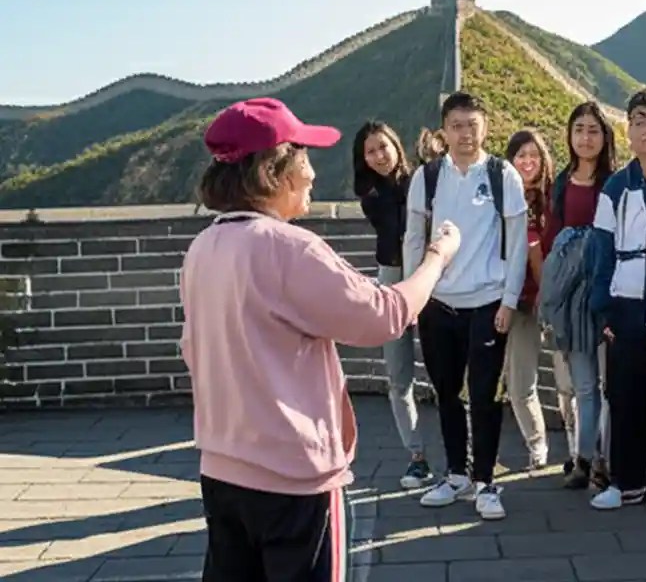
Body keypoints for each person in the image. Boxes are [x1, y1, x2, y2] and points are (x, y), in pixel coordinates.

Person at [181, 97, 460, 581]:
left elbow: (192, 350)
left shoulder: (202, 247)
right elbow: (384, 316)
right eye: (304, 158)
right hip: (293, 480)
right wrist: (437, 256)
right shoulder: (290, 248)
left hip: (222, 470)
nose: (312, 173)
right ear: (272, 171)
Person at [405, 91, 529, 521]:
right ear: (444, 131)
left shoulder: (502, 174)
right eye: (456, 125)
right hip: (438, 303)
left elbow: (517, 245)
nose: (464, 134)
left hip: (487, 302)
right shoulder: (428, 177)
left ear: (485, 127)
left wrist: (509, 301)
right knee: (445, 392)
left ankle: (485, 482)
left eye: (472, 125)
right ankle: (455, 474)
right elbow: (413, 240)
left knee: (483, 395)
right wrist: (413, 296)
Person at [587, 86, 646, 514]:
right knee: (624, 398)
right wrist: (604, 307)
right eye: (638, 120)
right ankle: (627, 482)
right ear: (627, 132)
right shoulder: (615, 187)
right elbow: (600, 250)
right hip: (626, 306)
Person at [352, 121, 434, 491]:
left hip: (430, 278)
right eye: (370, 152)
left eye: (383, 147)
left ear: (396, 146)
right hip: (391, 279)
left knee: (445, 374)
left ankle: (462, 458)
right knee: (398, 377)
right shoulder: (371, 194)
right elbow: (396, 228)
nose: (379, 156)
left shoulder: (423, 179)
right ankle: (417, 458)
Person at [543, 101, 618, 490]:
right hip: (571, 300)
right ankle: (584, 459)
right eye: (579, 130)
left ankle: (606, 459)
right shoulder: (560, 184)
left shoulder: (616, 183)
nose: (585, 138)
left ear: (605, 136)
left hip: (607, 293)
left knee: (613, 385)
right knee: (584, 384)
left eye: (593, 130)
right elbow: (551, 243)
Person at [503, 129, 556, 470]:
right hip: (509, 301)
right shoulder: (501, 200)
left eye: (532, 154)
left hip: (547, 300)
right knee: (518, 382)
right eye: (520, 155)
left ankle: (582, 450)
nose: (526, 161)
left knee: (570, 385)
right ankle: (537, 445)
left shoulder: (554, 201)